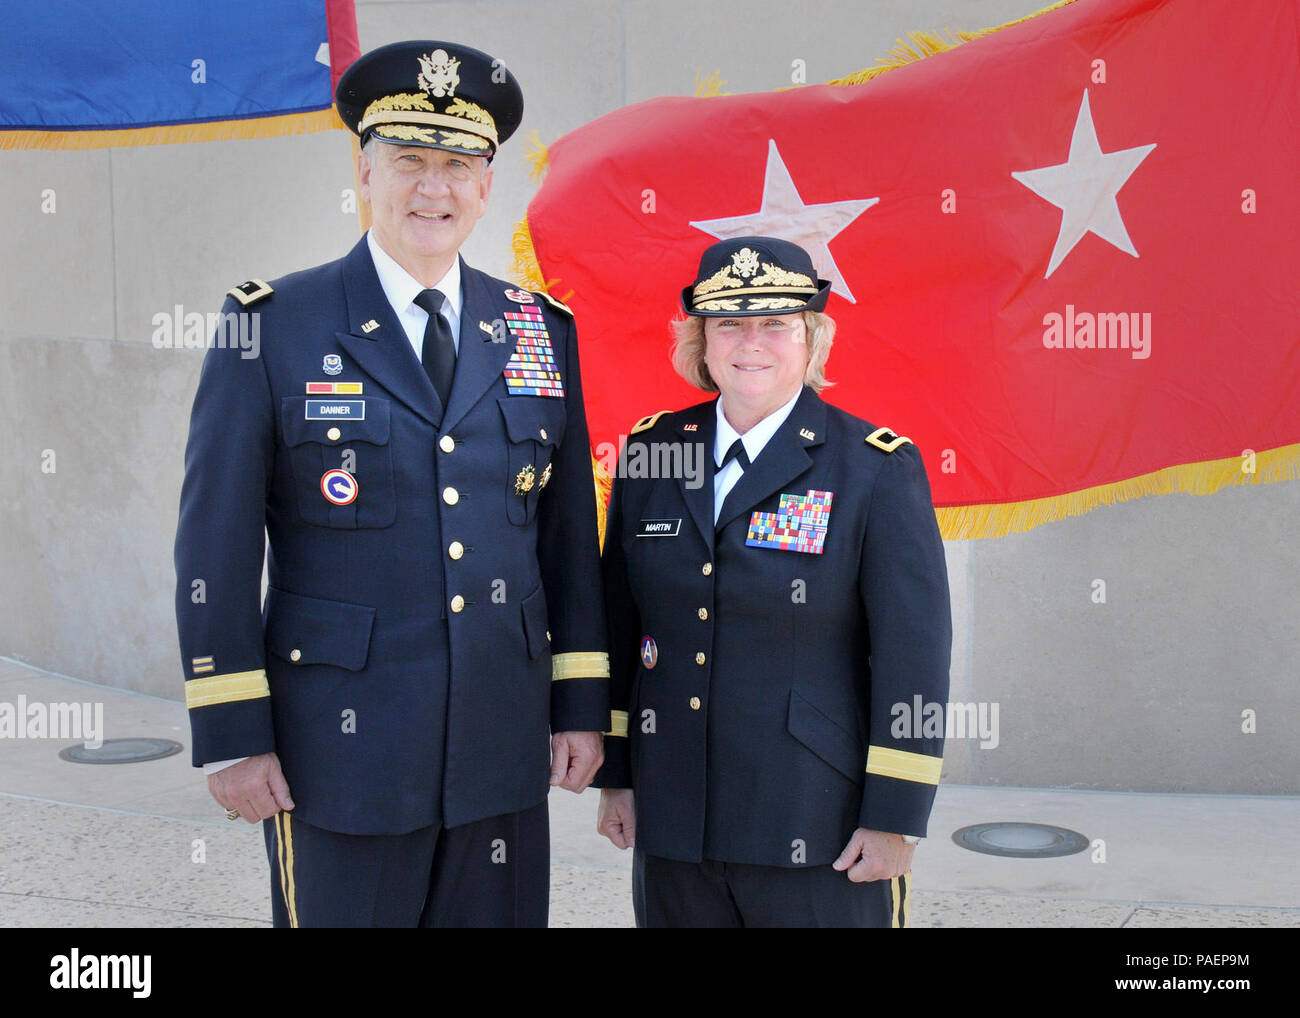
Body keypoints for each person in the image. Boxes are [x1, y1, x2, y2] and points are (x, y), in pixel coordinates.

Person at [173, 40, 608, 928]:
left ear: (487, 186)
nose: (432, 189)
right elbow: (215, 544)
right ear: (364, 174)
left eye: (457, 166)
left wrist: (580, 707)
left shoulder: (538, 328)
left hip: (498, 745)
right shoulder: (273, 325)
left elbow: (567, 542)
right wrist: (233, 730)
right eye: (409, 160)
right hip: (340, 753)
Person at [594, 236, 951, 927]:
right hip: (674, 822)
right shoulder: (651, 452)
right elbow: (619, 624)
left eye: (775, 323)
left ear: (810, 337)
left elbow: (915, 654)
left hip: (817, 823)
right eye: (729, 323)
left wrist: (895, 815)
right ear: (701, 340)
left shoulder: (874, 466)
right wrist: (620, 774)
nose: (751, 343)